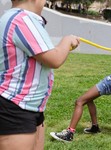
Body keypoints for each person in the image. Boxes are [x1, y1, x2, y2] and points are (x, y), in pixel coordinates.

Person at [0, 0, 80, 150]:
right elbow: (54, 59)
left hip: (29, 106)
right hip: (16, 109)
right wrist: (67, 41)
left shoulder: (13, 18)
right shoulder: (22, 20)